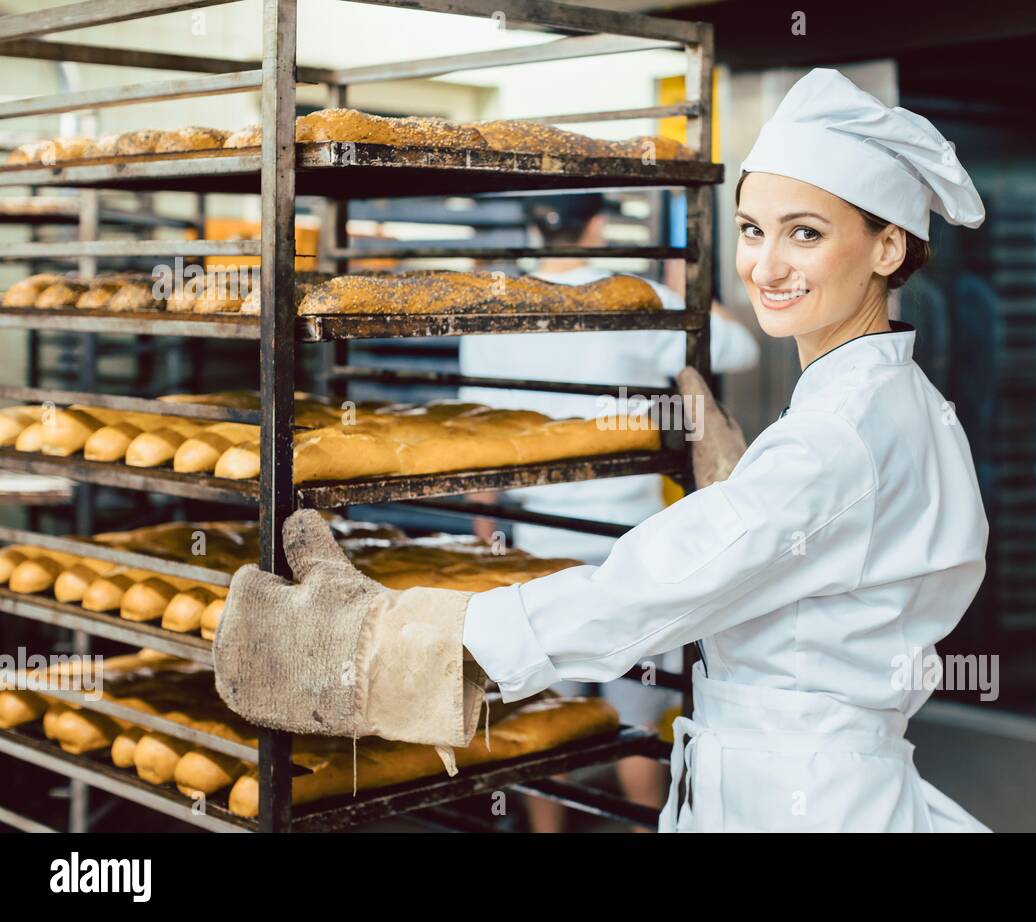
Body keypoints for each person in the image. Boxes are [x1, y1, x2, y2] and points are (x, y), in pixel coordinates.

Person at [214, 67, 992, 832]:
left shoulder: (836, 434)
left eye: (806, 234)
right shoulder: (900, 399)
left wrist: (388, 643)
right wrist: (747, 497)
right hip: (826, 778)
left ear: (889, 246)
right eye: (754, 230)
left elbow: (644, 592)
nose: (766, 265)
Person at [455, 192, 759, 830]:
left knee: (546, 706)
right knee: (639, 710)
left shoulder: (496, 310)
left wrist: (486, 528)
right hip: (633, 543)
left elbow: (477, 427)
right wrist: (685, 285)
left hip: (538, 542)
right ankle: (646, 823)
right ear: (598, 222)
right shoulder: (635, 299)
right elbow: (738, 350)